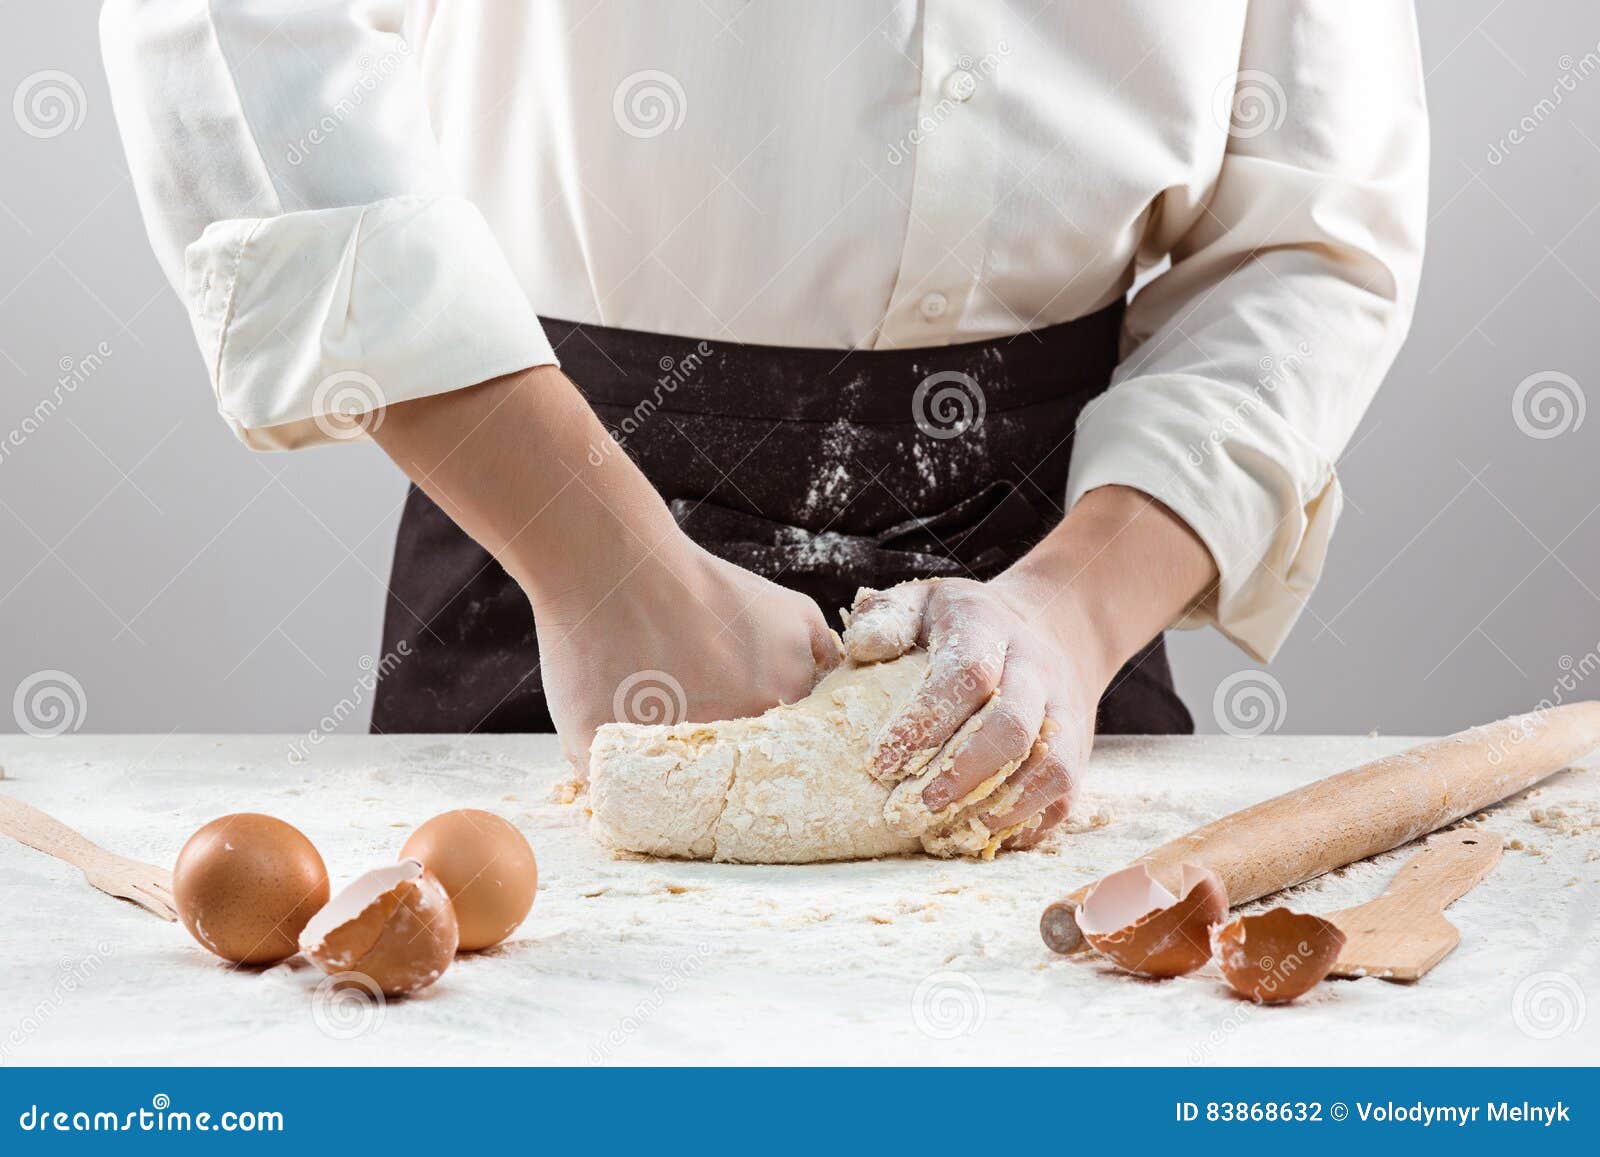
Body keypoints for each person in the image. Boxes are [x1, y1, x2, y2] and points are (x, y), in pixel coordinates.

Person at [100, 2, 1426, 849]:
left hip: (1055, 607)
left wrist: (1075, 615)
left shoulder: (1068, 618)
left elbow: (1314, 222)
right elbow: (229, 27)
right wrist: (599, 561)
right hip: (550, 523)